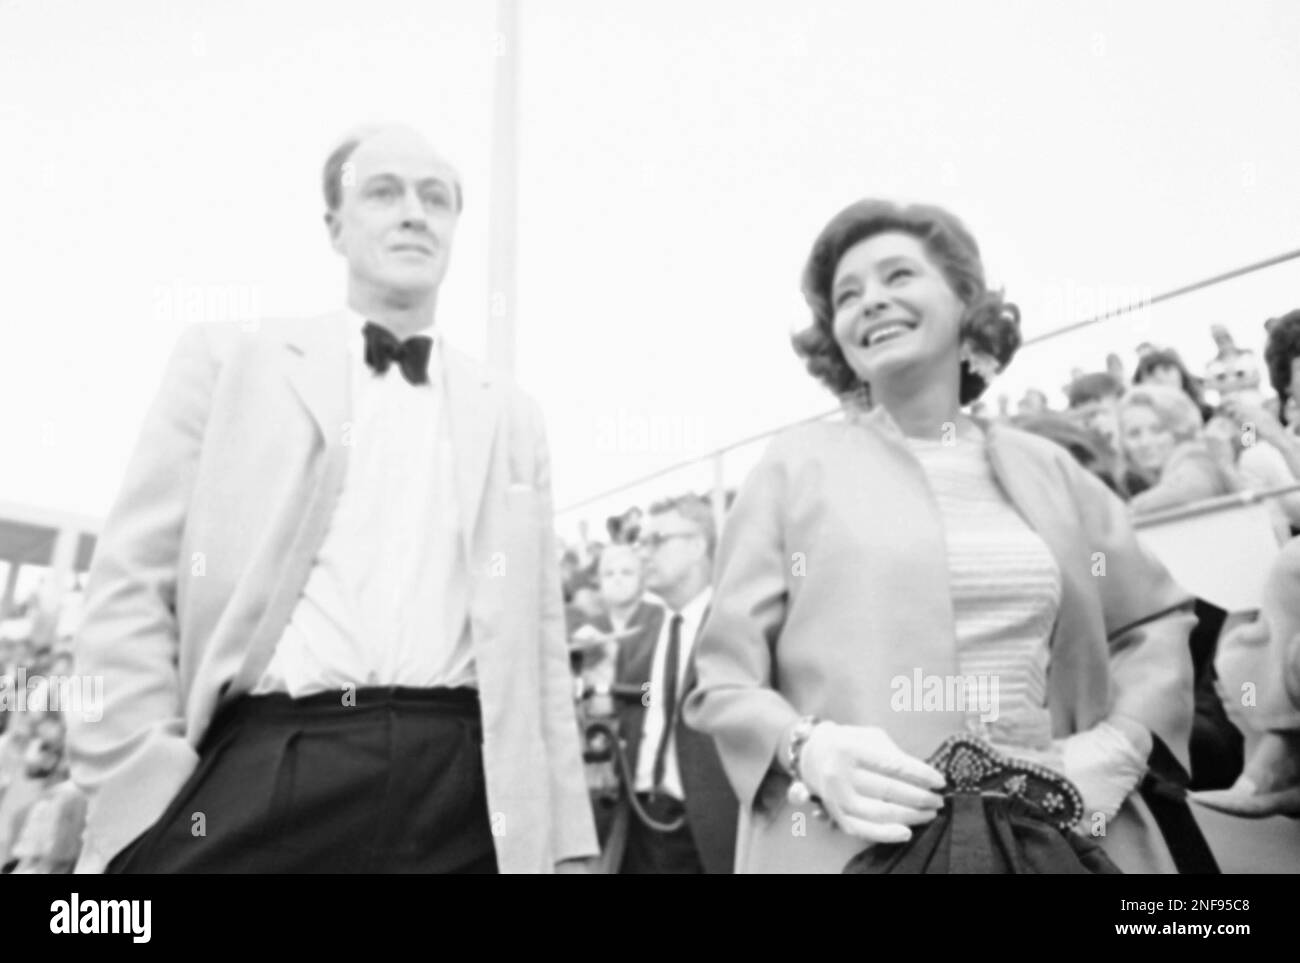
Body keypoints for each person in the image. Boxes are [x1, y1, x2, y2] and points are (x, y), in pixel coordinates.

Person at [67, 124, 596, 873]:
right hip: (266, 757)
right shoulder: (227, 360)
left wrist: (568, 843)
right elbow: (128, 586)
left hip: (461, 779)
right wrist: (139, 788)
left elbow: (541, 646)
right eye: (384, 192)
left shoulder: (512, 412)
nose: (414, 212)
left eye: (435, 198)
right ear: (335, 227)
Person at [684, 199, 1196, 873]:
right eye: (847, 294)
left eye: (898, 276)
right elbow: (725, 679)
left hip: (1067, 836)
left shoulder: (1050, 468)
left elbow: (1155, 621)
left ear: (966, 302)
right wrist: (808, 747)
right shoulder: (790, 465)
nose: (871, 300)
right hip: (854, 843)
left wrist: (1123, 742)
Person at [614, 496, 736, 874]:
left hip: (709, 833)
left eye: (657, 541)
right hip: (641, 827)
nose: (644, 554)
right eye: (640, 543)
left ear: (698, 545)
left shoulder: (735, 630)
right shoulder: (637, 639)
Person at [1119, 384, 1238, 516]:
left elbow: (1186, 489)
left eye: (1158, 430)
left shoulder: (1196, 462)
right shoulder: (1176, 469)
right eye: (1134, 434)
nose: (1145, 442)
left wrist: (1125, 512)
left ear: (1180, 430)